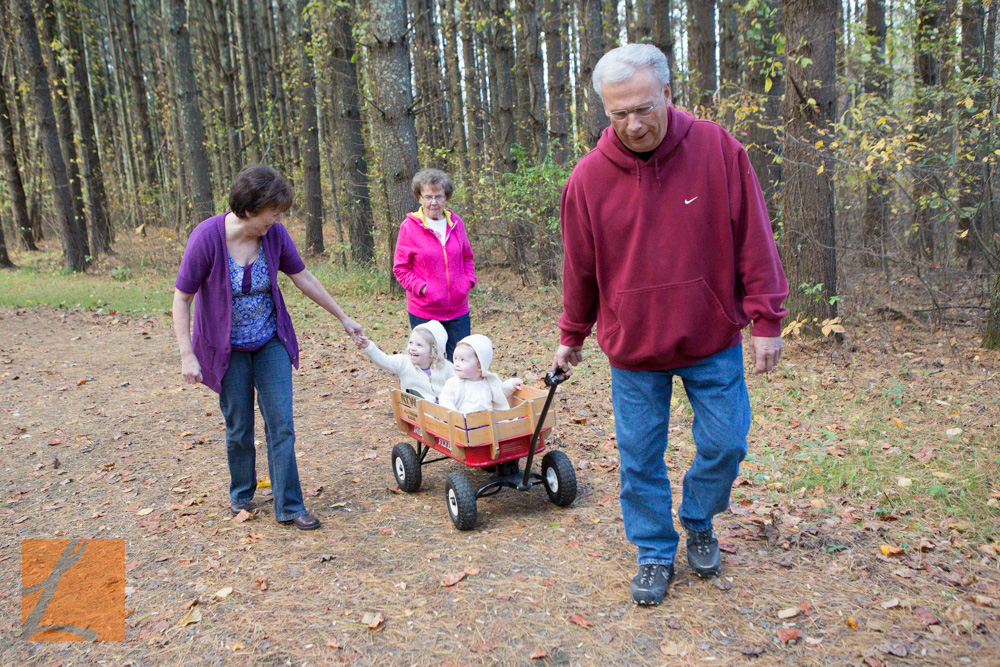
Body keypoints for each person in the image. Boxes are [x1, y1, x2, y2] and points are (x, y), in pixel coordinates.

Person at [552, 44, 788, 606]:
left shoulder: (717, 149)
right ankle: (655, 551)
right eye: (617, 114)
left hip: (711, 339)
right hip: (634, 348)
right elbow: (579, 268)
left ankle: (699, 516)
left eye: (642, 108)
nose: (633, 124)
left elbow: (753, 235)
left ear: (667, 94)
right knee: (638, 460)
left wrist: (766, 317)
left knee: (727, 444)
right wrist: (571, 335)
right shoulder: (587, 179)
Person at [173, 164, 364, 531]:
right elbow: (181, 299)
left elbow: (303, 277)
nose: (278, 219)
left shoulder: (274, 236)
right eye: (273, 213)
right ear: (248, 209)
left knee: (282, 423)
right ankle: (242, 495)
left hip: (269, 339)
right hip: (224, 347)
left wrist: (343, 317)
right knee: (239, 426)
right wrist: (187, 354)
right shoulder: (206, 237)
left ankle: (290, 505)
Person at [393, 168, 476, 362]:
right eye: (428, 197)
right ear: (419, 198)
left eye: (438, 196)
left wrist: (467, 282)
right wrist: (422, 288)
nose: (433, 202)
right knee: (429, 365)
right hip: (424, 311)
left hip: (458, 311)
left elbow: (467, 258)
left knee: (461, 363)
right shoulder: (409, 227)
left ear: (446, 197)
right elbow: (400, 268)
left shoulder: (456, 223)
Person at [355, 320, 454, 401]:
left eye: (419, 345)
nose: (413, 348)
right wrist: (368, 346)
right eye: (411, 343)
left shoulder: (445, 366)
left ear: (434, 351)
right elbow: (384, 360)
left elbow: (459, 381)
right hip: (418, 412)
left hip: (443, 411)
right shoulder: (404, 363)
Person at [439, 334, 524, 413]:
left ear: (480, 366)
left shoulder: (489, 381)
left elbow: (500, 393)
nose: (457, 364)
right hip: (464, 424)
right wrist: (455, 416)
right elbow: (445, 400)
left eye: (463, 360)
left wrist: (510, 385)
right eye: (455, 359)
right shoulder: (453, 383)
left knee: (506, 425)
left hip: (488, 423)